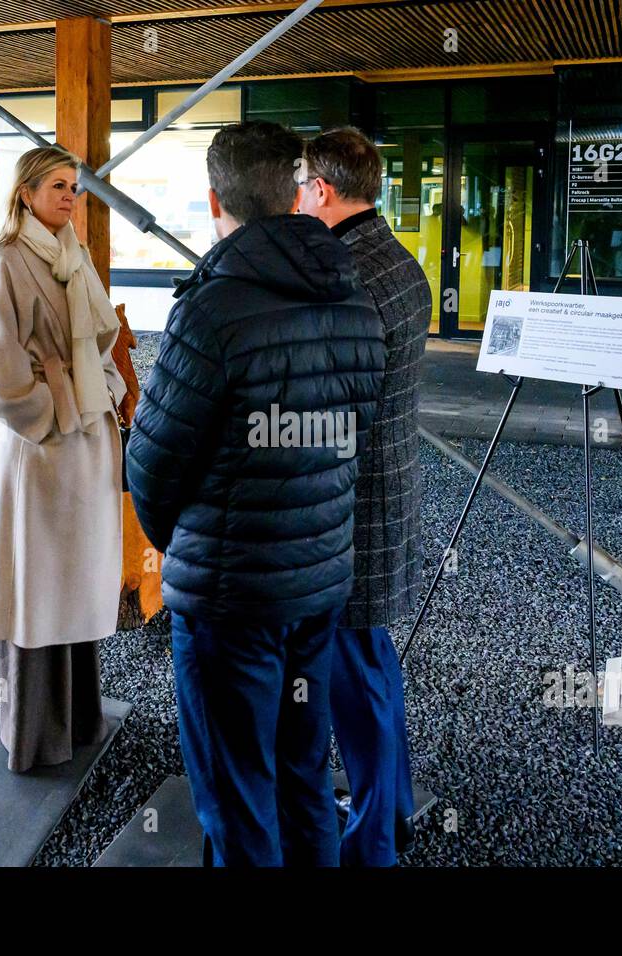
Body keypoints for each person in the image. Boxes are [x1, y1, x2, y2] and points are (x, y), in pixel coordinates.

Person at [126, 121, 386, 866]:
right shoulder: (353, 300)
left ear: (215, 199)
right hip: (318, 587)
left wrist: (184, 546)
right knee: (301, 776)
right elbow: (350, 438)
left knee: (238, 797)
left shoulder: (210, 312)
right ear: (298, 191)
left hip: (231, 601)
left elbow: (152, 466)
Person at [298, 127, 432, 866]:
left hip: (353, 508)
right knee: (371, 666)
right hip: (388, 493)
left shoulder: (343, 270)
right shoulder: (396, 255)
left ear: (322, 189)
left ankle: (376, 838)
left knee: (356, 678)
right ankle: (394, 806)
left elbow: (335, 405)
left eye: (301, 186)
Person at [0, 145, 126, 773]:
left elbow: (103, 338)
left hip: (87, 438)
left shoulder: (75, 256)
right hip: (40, 448)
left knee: (79, 577)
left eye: (75, 186)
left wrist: (105, 392)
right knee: (36, 583)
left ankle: (81, 719)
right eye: (57, 185)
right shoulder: (3, 262)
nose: (69, 196)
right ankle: (37, 732)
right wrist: (49, 408)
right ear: (26, 192)